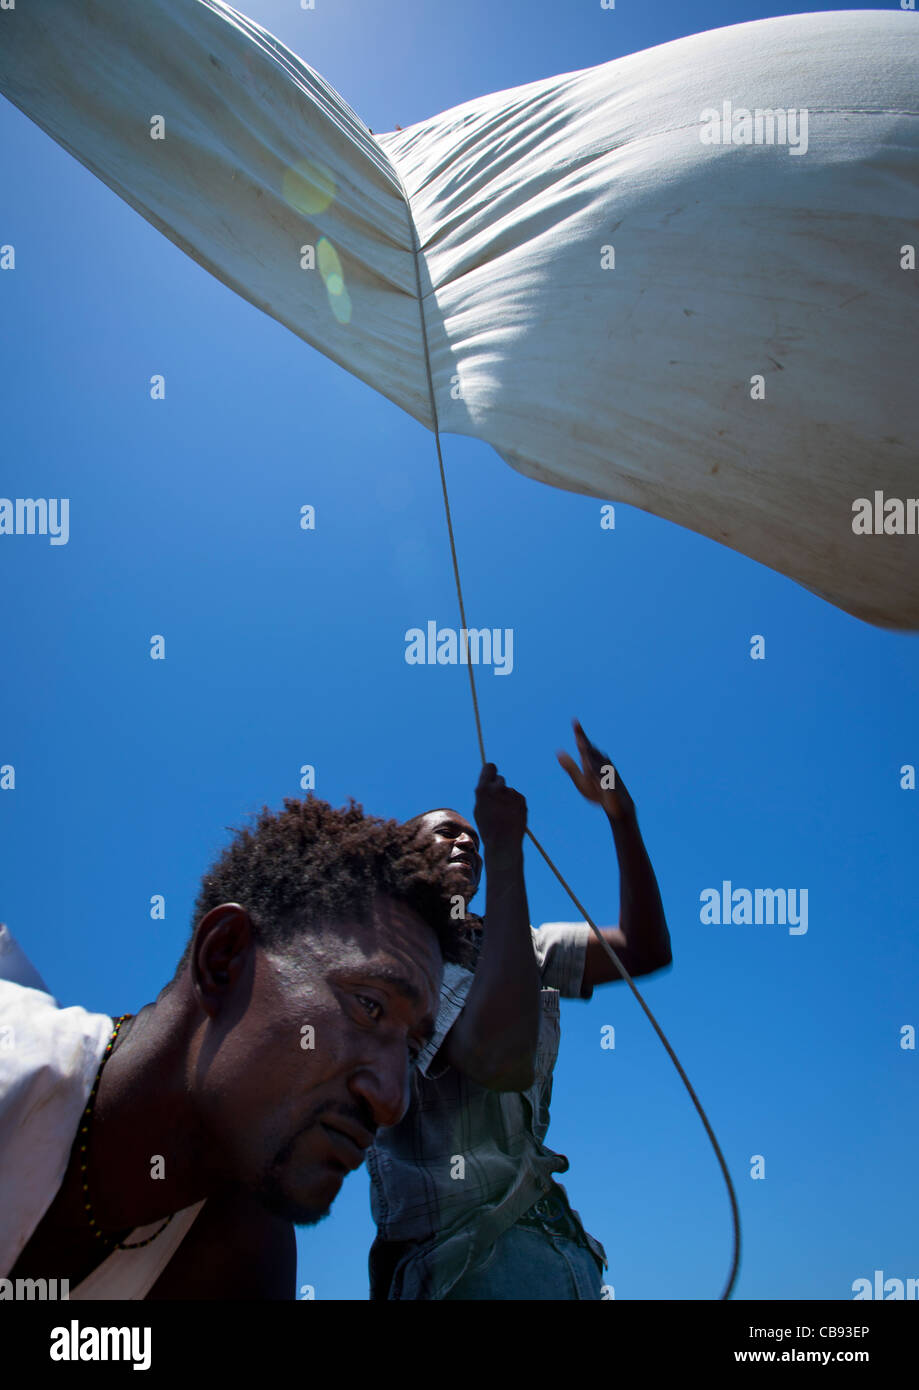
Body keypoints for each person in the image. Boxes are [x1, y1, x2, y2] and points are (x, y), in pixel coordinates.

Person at [2, 795, 461, 1300]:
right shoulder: (14, 1060)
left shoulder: (242, 1259)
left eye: (413, 1047)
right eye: (370, 1006)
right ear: (223, 960)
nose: (392, 1101)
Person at [367, 720, 672, 1300]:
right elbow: (500, 1058)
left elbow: (646, 948)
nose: (467, 844)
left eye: (474, 840)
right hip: (461, 1265)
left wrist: (621, 817)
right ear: (402, 860)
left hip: (565, 1253)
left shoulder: (517, 943)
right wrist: (505, 848)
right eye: (448, 834)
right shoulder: (392, 954)